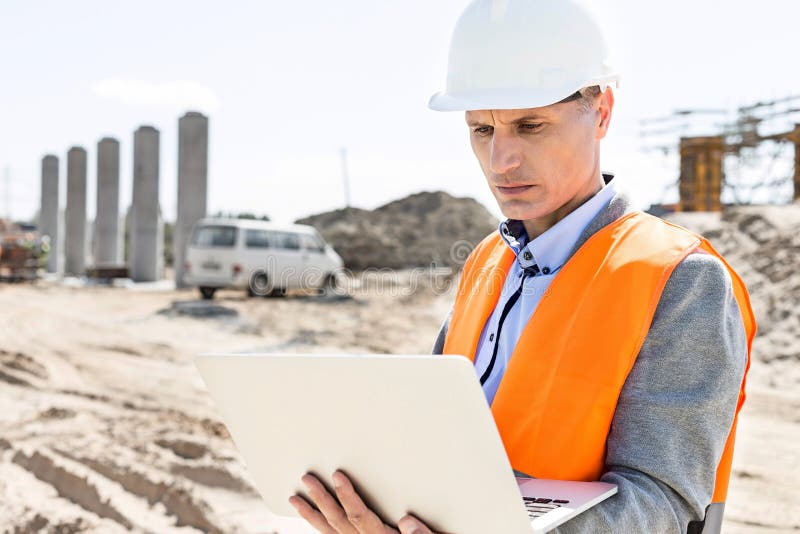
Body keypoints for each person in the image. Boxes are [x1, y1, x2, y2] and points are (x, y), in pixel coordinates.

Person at [288, 1, 756, 533]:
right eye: (481, 129)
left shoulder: (682, 280)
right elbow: (435, 441)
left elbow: (662, 505)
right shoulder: (487, 262)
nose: (499, 161)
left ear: (601, 111)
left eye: (530, 126)